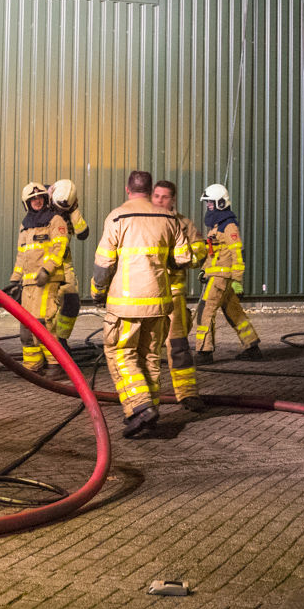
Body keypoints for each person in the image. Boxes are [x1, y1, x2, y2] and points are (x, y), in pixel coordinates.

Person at [90, 169, 195, 436]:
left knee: (121, 353)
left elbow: (103, 264)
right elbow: (184, 258)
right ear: (149, 191)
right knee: (149, 356)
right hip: (159, 303)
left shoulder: (117, 216)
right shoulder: (169, 217)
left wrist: (98, 290)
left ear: (128, 189)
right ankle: (147, 414)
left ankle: (140, 406)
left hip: (125, 304)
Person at [192, 182, 260, 362]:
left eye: (211, 203)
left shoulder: (228, 226)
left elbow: (237, 253)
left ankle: (204, 352)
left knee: (205, 311)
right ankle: (252, 346)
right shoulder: (217, 226)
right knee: (233, 311)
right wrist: (204, 270)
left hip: (221, 278)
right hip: (219, 276)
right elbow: (214, 253)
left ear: (220, 203)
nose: (208, 206)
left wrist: (238, 279)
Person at [151, 179, 208, 387]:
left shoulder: (184, 225)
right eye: (156, 196)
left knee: (179, 346)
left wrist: (180, 261)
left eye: (164, 197)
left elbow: (200, 251)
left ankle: (187, 393)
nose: (159, 200)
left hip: (174, 295)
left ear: (173, 199)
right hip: (148, 295)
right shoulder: (143, 223)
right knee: (148, 349)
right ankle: (147, 397)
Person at [6, 182, 68, 373]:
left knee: (44, 325)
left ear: (45, 199)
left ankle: (56, 366)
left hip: (47, 282)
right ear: (27, 202)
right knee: (26, 326)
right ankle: (32, 367)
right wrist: (15, 279)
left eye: (40, 197)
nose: (37, 201)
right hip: (29, 284)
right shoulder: (25, 225)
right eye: (32, 199)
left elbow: (60, 248)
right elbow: (21, 255)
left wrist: (47, 270)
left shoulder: (55, 220)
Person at [47, 178, 89, 354]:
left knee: (71, 303)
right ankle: (48, 346)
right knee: (47, 308)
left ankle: (61, 340)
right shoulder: (40, 201)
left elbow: (83, 234)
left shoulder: (70, 209)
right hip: (45, 264)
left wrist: (73, 211)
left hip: (64, 264)